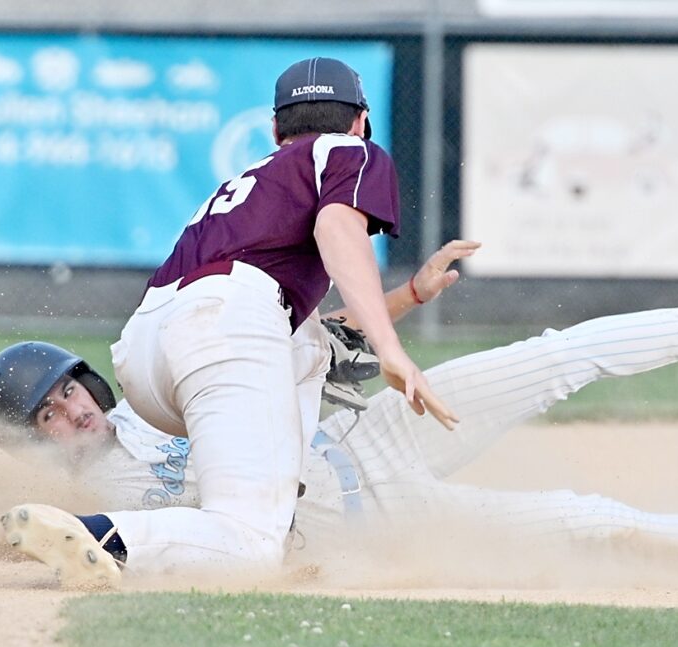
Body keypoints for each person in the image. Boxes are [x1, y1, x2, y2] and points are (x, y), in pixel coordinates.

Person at [0, 257, 678, 589]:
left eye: (65, 390)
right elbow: (63, 539)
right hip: (377, 519)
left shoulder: (162, 392)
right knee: (592, 520)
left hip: (374, 434)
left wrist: (411, 295)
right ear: (32, 446)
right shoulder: (101, 512)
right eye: (46, 415)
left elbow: (309, 336)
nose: (70, 410)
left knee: (554, 355)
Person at [104, 56, 456, 576]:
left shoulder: (249, 180)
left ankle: (277, 509)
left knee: (310, 343)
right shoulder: (347, 149)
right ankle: (102, 533)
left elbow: (255, 308)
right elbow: (338, 231)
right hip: (222, 332)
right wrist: (391, 350)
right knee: (249, 545)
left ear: (274, 128)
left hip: (148, 355)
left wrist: (408, 295)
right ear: (360, 121)